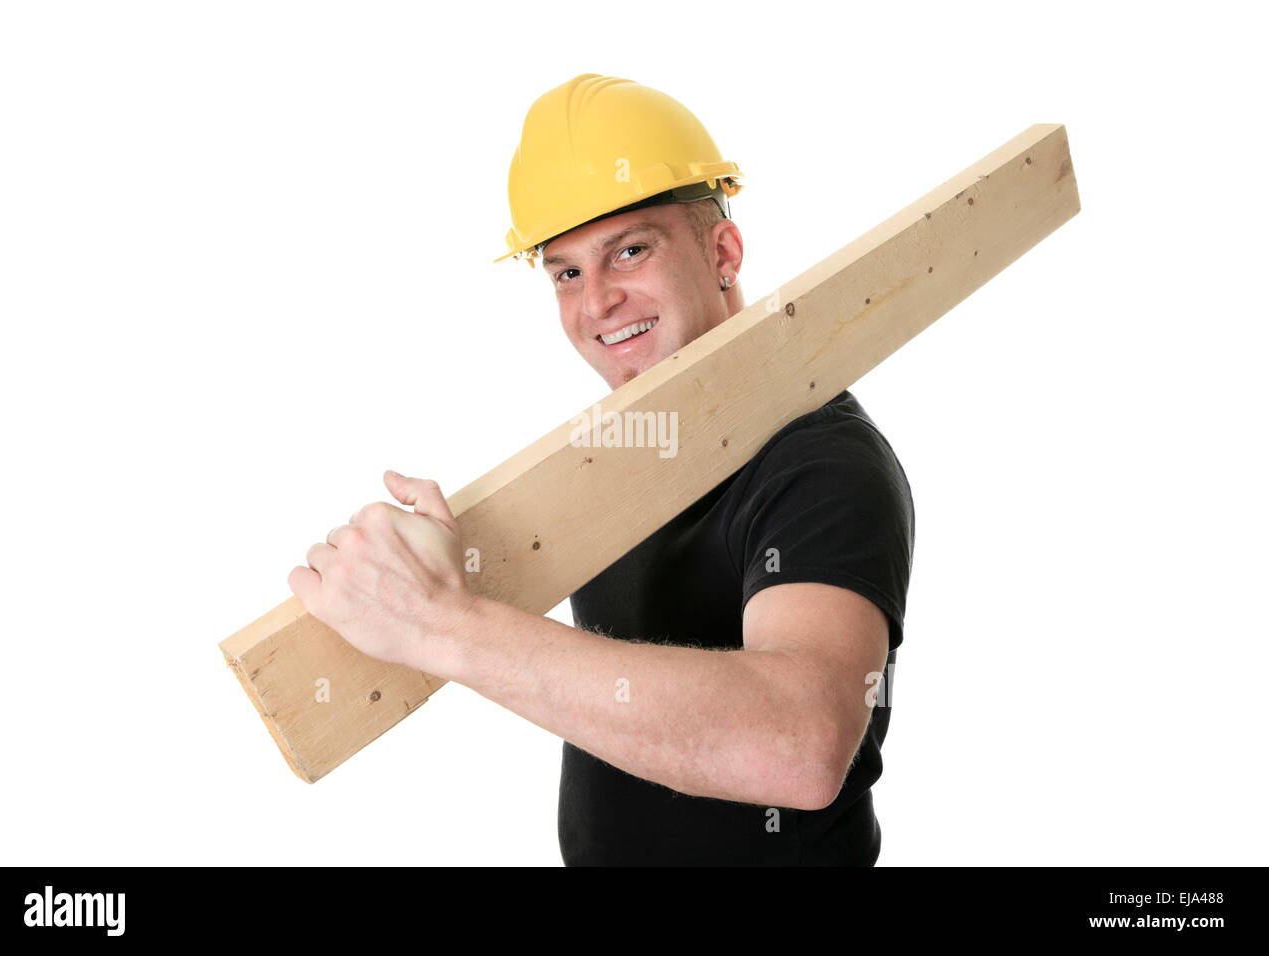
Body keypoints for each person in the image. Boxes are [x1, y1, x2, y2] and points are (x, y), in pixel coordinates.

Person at [288, 73, 914, 866]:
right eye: (566, 273)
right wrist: (460, 580)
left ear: (722, 251)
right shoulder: (628, 447)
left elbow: (801, 744)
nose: (597, 304)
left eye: (630, 250)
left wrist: (444, 623)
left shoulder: (820, 460)